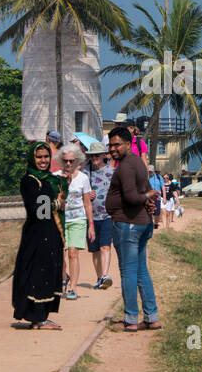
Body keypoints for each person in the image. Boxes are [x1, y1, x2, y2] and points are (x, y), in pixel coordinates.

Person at [106, 125, 160, 332]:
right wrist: (148, 199)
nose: (112, 149)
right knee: (141, 271)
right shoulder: (137, 162)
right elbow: (145, 188)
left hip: (128, 225)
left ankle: (130, 319)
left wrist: (147, 197)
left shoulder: (126, 166)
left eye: (117, 145)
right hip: (142, 224)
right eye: (110, 145)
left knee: (128, 272)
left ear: (129, 144)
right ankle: (151, 317)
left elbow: (131, 196)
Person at [12, 141, 66, 330]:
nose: (43, 161)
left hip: (49, 233)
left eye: (46, 157)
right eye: (39, 157)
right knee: (37, 273)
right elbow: (38, 210)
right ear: (32, 159)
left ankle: (41, 317)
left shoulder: (49, 179)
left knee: (49, 272)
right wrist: (57, 204)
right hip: (36, 235)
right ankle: (37, 318)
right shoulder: (29, 181)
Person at [59, 143, 92, 299]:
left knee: (73, 252)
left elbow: (87, 203)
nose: (68, 164)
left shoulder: (83, 178)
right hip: (61, 219)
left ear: (77, 161)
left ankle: (73, 287)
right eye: (65, 160)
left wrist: (91, 225)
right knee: (60, 253)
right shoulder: (55, 176)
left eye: (72, 161)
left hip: (78, 219)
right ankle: (63, 279)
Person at [86, 143, 115, 289]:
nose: (94, 158)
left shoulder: (112, 172)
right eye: (92, 155)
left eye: (97, 155)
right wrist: (86, 194)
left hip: (107, 216)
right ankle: (99, 278)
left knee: (105, 246)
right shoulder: (86, 172)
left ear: (104, 155)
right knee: (94, 250)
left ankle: (105, 275)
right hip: (91, 217)